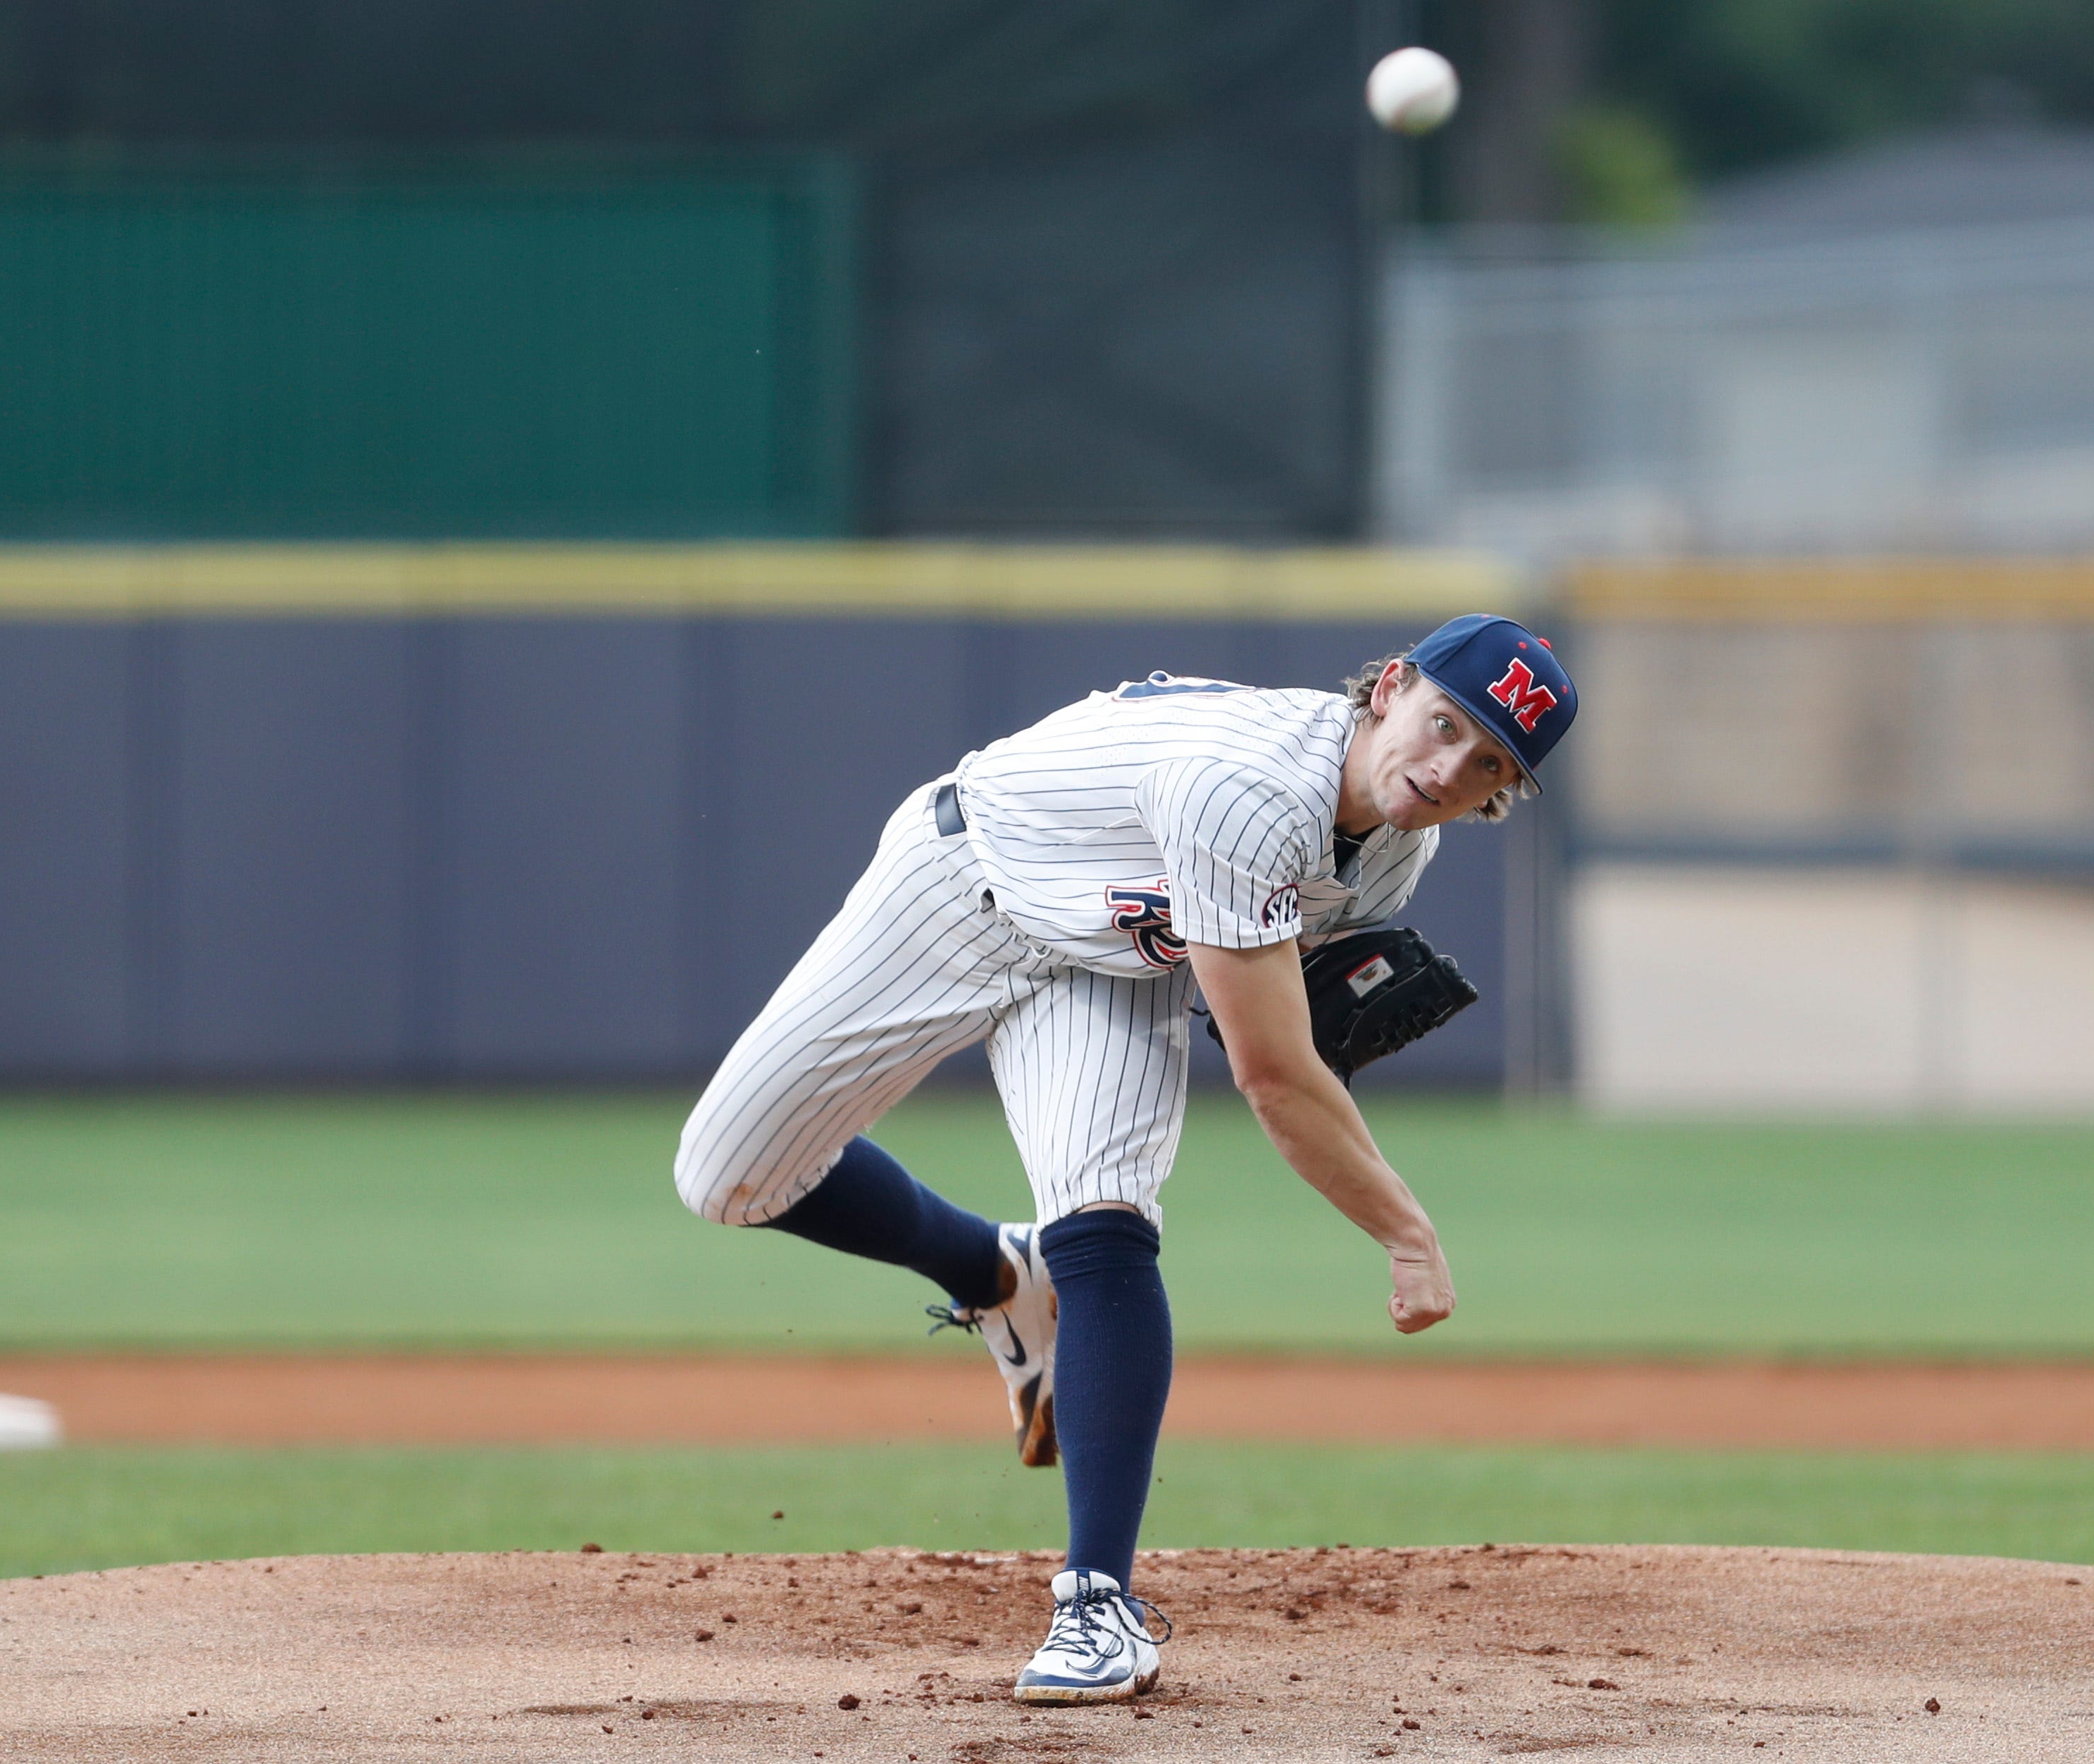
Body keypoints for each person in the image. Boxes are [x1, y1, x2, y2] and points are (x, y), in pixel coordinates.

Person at [674, 612, 1578, 1703]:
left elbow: (1251, 995)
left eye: (1489, 764)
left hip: (1108, 967)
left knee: (1105, 1224)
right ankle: (993, 1273)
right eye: (1445, 724)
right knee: (724, 1175)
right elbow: (1274, 1075)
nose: (1448, 770)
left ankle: (1098, 1602)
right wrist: (1404, 1229)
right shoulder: (1250, 789)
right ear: (1389, 686)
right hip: (961, 883)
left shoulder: (1399, 846)